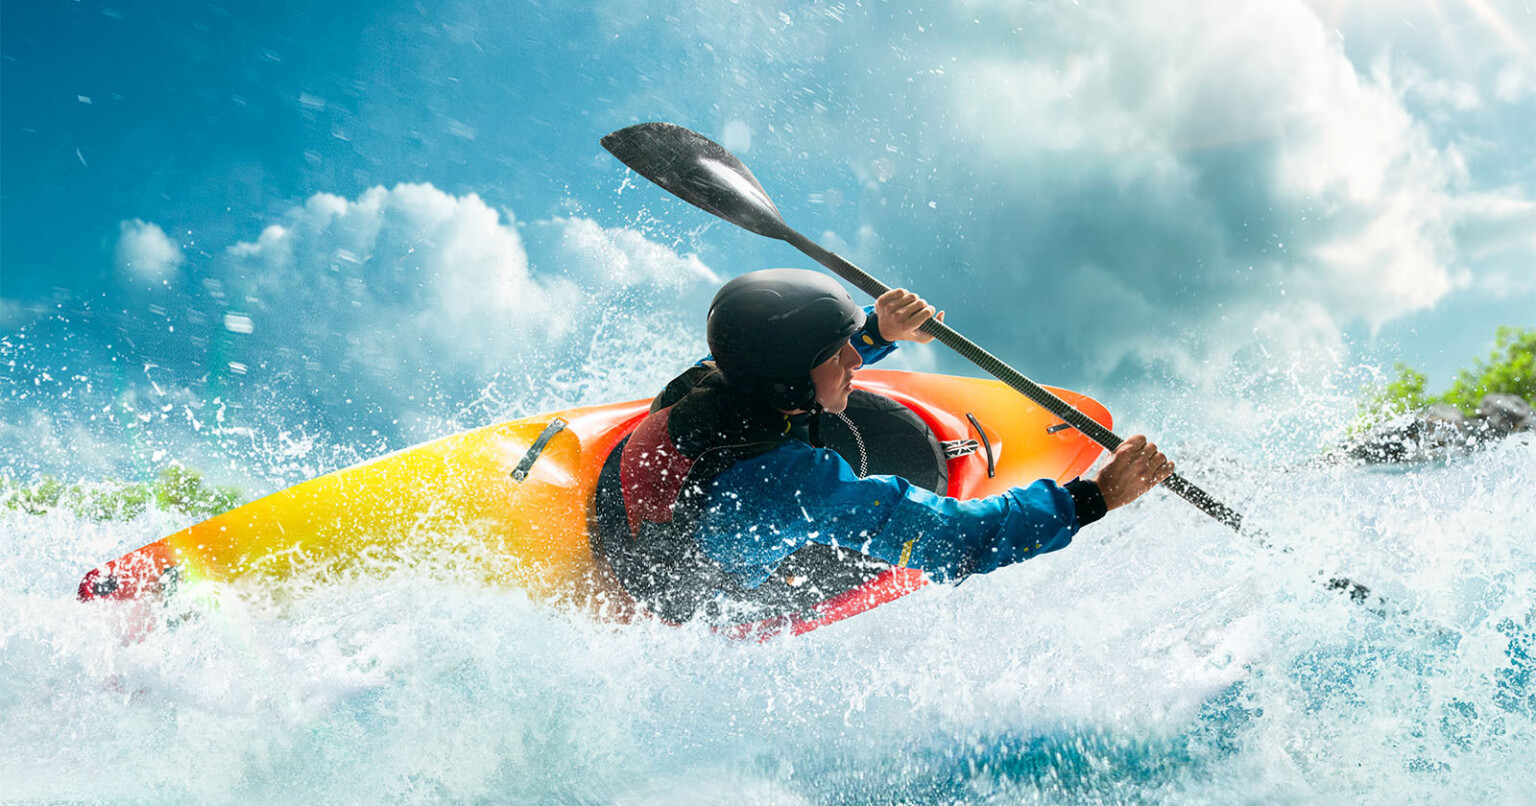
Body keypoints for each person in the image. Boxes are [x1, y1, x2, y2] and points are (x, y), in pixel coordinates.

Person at [593, 269, 1173, 624]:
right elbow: (955, 541)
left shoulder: (706, 379)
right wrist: (1094, 498)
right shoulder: (794, 486)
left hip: (628, 515)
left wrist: (878, 331)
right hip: (700, 590)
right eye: (839, 351)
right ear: (789, 381)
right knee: (870, 542)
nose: (854, 361)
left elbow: (784, 357)